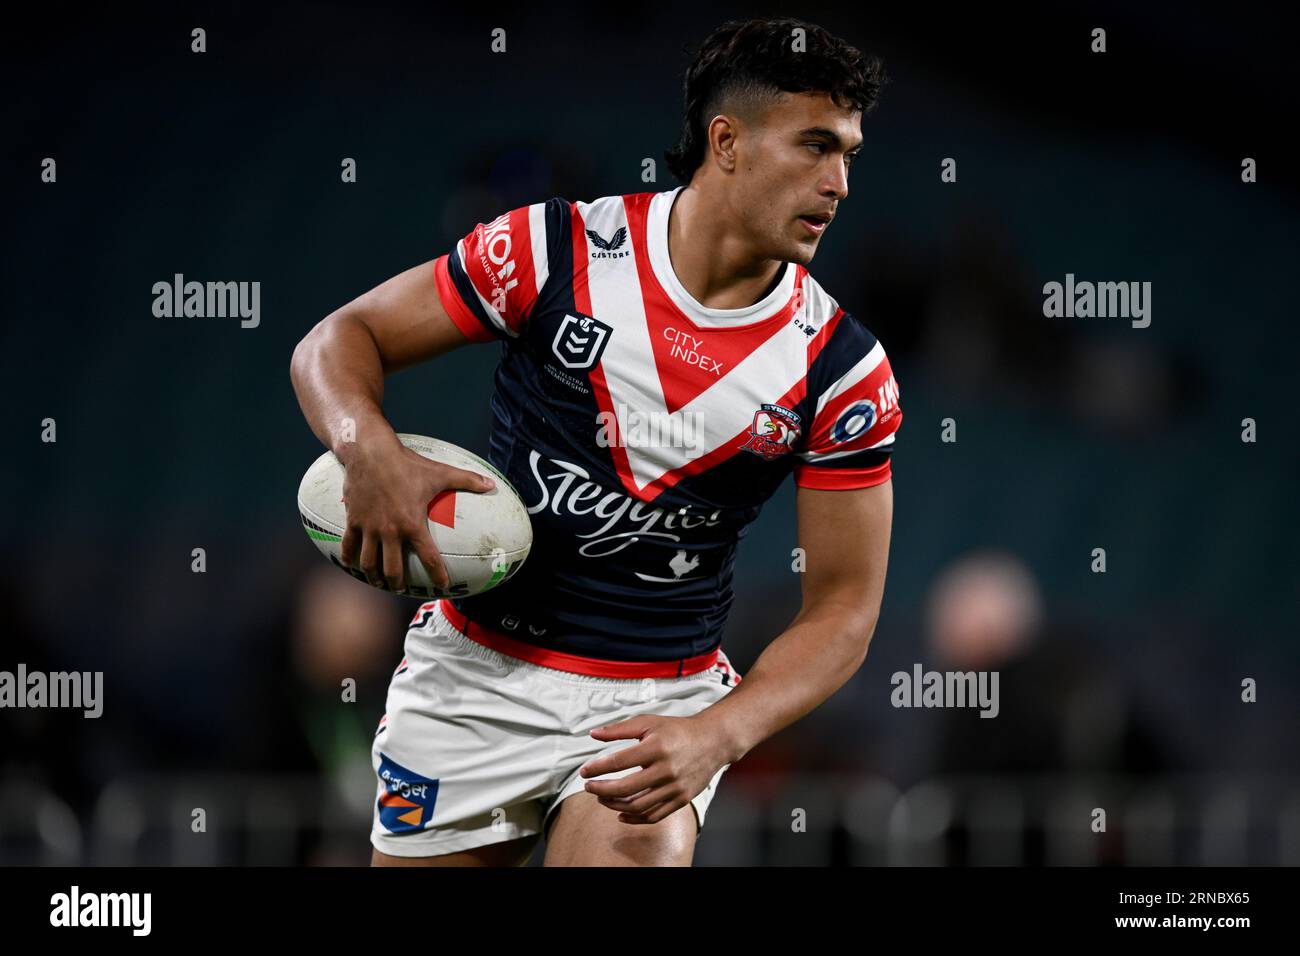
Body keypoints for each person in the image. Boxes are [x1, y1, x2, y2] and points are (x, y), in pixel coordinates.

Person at [289, 16, 902, 867]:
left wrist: (718, 732)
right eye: (814, 146)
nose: (839, 183)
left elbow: (843, 610)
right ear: (726, 142)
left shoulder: (842, 371)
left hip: (655, 703)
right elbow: (336, 340)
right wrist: (369, 450)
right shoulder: (555, 250)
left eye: (849, 155)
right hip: (474, 679)